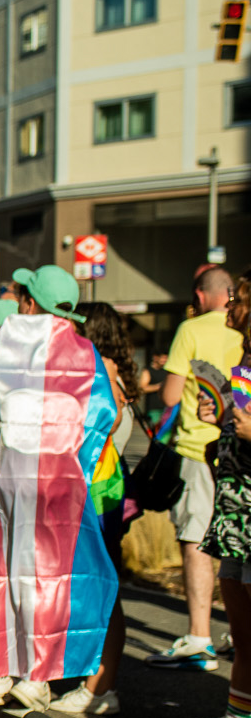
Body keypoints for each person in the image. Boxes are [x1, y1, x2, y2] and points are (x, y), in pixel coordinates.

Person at [0, 266, 118, 713]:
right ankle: (35, 676)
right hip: (58, 484)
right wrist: (75, 465)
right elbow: (105, 413)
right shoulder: (83, 350)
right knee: (47, 576)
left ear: (29, 301)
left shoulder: (1, 341)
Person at [171, 272, 251, 718]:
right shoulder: (243, 359)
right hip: (237, 504)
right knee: (240, 627)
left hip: (248, 507)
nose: (229, 307)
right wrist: (222, 416)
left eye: (239, 300)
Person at [148, 265, 244, 672]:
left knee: (196, 539)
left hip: (196, 444)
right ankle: (238, 638)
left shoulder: (191, 329)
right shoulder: (244, 334)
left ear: (203, 295)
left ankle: (199, 635)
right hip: (240, 448)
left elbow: (171, 394)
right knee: (238, 547)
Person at [58, 302, 139, 718]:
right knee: (96, 587)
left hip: (100, 488)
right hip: (100, 485)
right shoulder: (105, 367)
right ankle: (93, 679)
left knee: (102, 588)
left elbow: (99, 426)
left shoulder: (101, 368)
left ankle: (100, 686)